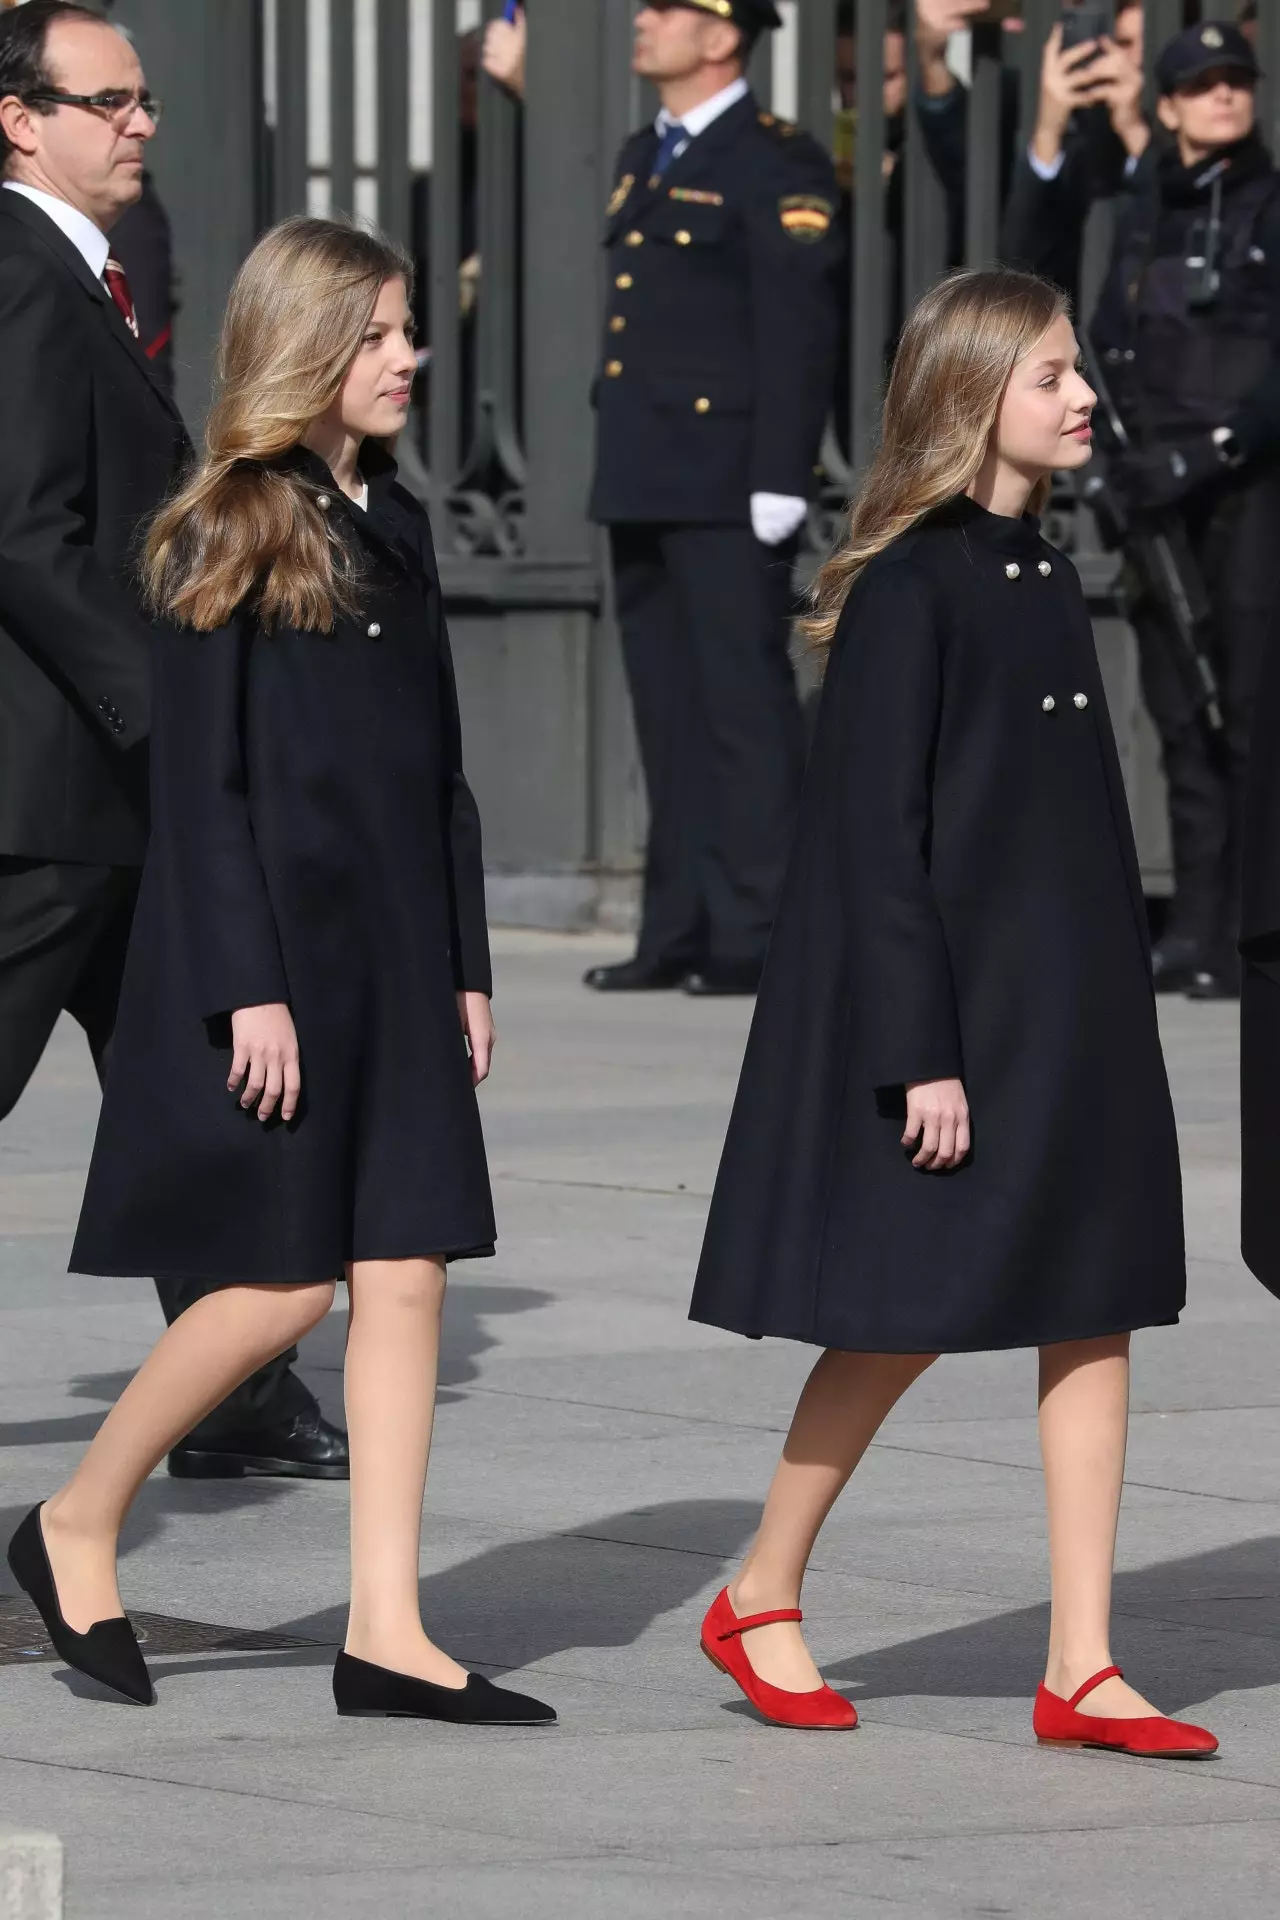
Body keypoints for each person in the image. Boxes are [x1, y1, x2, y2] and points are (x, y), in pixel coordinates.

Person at [5, 216, 556, 1730]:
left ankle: (387, 1630)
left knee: (407, 1274)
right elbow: (206, 794)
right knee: (278, 1286)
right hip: (275, 970)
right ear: (308, 347)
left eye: (404, 332)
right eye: (378, 335)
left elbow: (439, 774)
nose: (408, 359)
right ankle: (74, 1524)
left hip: (397, 966)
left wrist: (465, 965)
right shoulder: (224, 524)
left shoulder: (406, 525)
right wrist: (245, 987)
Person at [689, 267, 1217, 1759]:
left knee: (1096, 1308)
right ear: (976, 390)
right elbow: (872, 848)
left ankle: (1085, 1663)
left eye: (1081, 375)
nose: (1085, 399)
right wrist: (921, 1054)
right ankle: (763, 1588)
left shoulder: (1046, 570)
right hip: (957, 1027)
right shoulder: (911, 586)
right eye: (1054, 375)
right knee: (898, 1319)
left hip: (1076, 1015)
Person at [0, 0, 345, 1480]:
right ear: (22, 117)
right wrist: (157, 706)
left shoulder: (84, 277)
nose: (143, 122)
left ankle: (233, 1383)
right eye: (112, 100)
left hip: (113, 798)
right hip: (51, 793)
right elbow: (22, 536)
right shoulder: (21, 277)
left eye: (145, 100)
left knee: (210, 1071)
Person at [585, 0, 844, 998]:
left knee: (739, 713)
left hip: (730, 481)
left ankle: (755, 931)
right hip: (645, 469)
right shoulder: (642, 150)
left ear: (724, 33)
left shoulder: (772, 159)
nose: (642, 23)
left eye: (667, 9)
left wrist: (781, 474)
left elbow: (796, 328)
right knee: (667, 715)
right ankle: (675, 929)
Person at [1090, 21, 1280, 999]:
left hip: (1242, 495)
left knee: (1248, 717)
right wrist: (1119, 469)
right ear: (1162, 108)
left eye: (1233, 81)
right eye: (1199, 85)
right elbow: (1101, 338)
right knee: (1178, 720)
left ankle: (1252, 933)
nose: (1221, 96)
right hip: (1156, 511)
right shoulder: (1143, 209)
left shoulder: (1267, 203)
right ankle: (1197, 928)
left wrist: (1210, 452)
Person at [1002, 7, 1151, 311]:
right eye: (1122, 44)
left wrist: (1135, 131)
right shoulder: (1076, 157)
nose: (1130, 61)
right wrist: (1048, 130)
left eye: (1144, 44)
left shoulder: (1183, 146)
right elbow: (1019, 262)